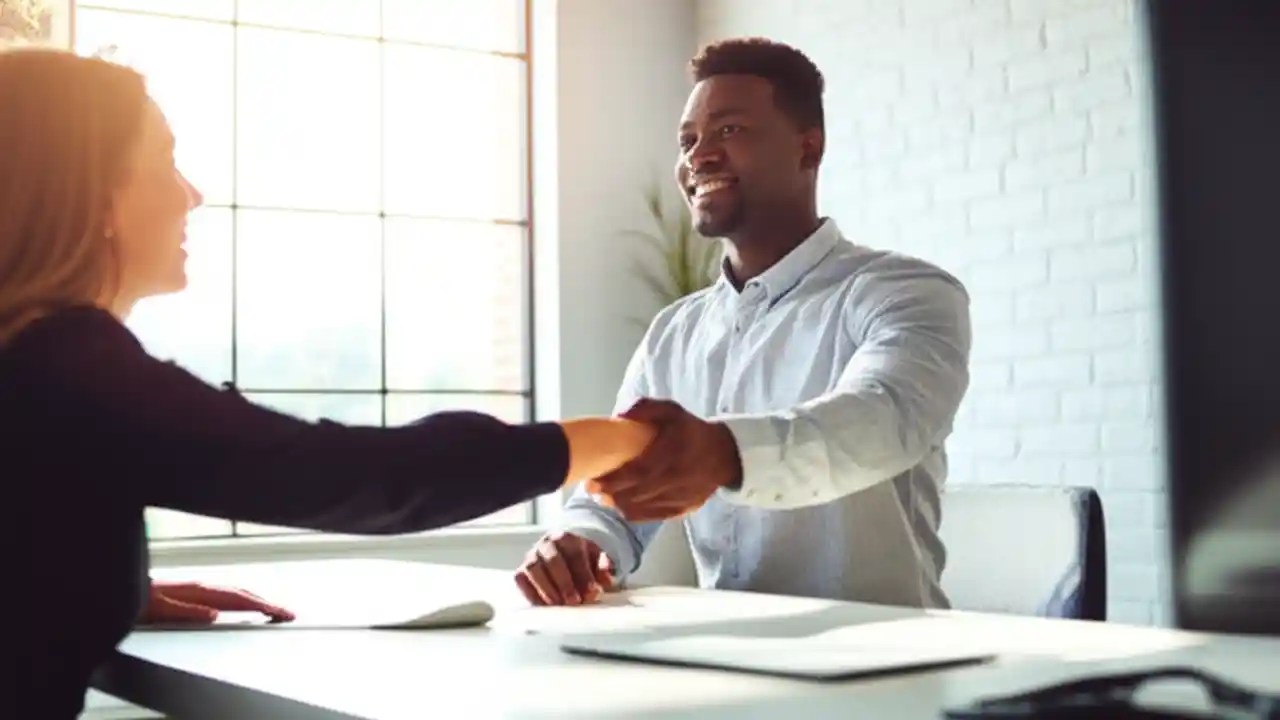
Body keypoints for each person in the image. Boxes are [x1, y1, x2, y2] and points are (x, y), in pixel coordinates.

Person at [0, 48, 655, 718]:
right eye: (166, 161)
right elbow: (347, 474)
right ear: (96, 195)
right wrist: (611, 442)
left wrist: (92, 584)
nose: (191, 194)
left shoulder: (31, 364)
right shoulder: (67, 365)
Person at [515, 38, 971, 610]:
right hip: (726, 660)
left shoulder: (905, 293)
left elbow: (881, 419)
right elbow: (625, 485)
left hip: (886, 671)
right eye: (688, 140)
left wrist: (725, 453)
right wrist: (583, 540)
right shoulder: (673, 332)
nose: (699, 156)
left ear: (809, 148)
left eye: (729, 131)